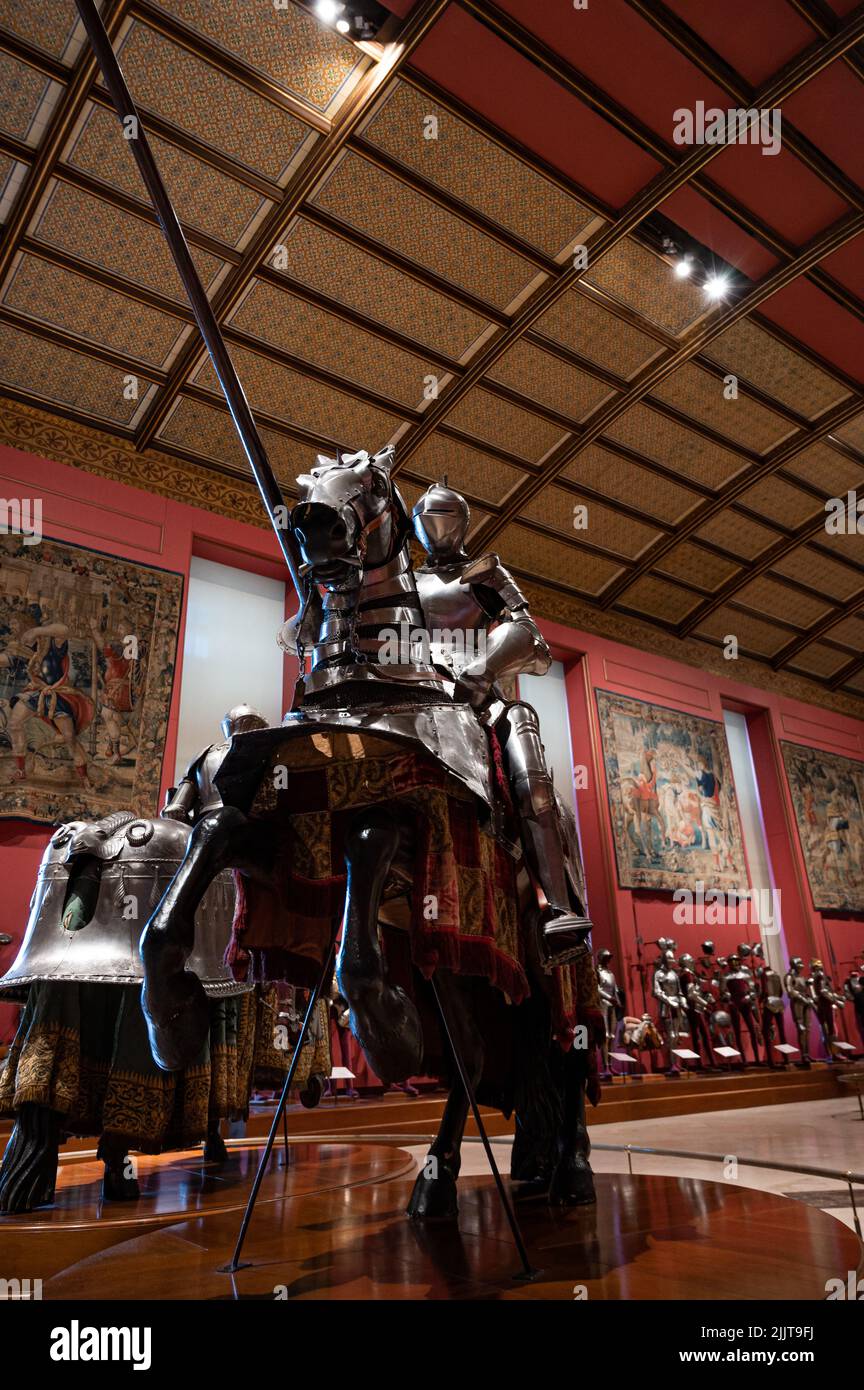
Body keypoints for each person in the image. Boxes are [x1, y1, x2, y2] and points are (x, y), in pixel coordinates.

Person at [410, 481, 591, 970]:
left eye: (445, 518)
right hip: (418, 695)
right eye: (426, 520)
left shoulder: (483, 574)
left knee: (531, 779)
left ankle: (557, 907)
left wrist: (484, 666)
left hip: (483, 701)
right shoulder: (403, 581)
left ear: (463, 522)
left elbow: (529, 635)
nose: (436, 529)